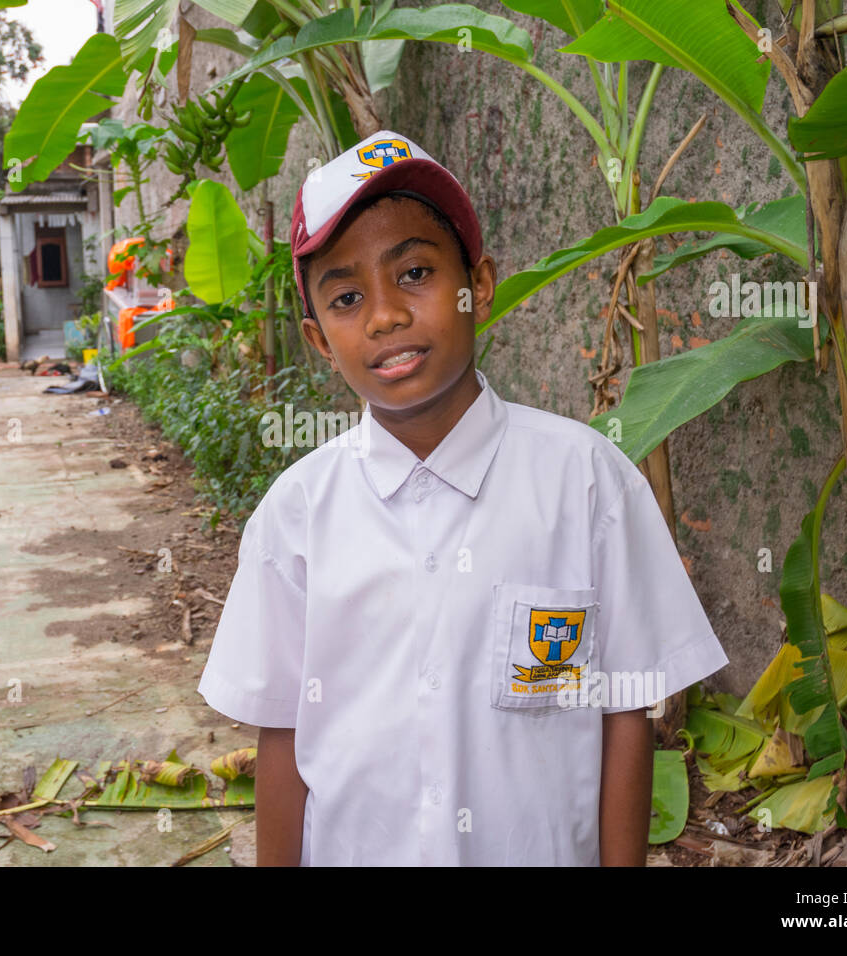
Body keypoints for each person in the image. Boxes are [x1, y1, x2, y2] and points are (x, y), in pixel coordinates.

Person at [197, 130, 729, 866]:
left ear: (477, 284)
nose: (385, 316)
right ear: (321, 340)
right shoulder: (296, 517)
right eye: (348, 297)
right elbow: (284, 733)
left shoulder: (586, 483)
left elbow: (624, 712)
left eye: (414, 272)